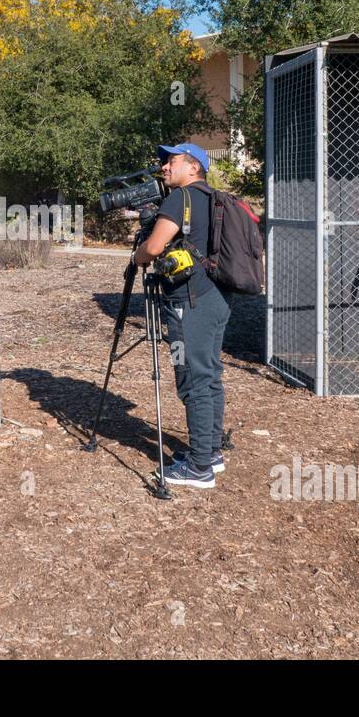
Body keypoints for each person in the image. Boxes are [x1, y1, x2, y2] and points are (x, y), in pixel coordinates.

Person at [131, 142, 232, 489]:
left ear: (193, 167)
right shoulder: (211, 197)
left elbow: (155, 248)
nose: (164, 167)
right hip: (215, 300)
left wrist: (137, 257)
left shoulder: (179, 199)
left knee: (192, 379)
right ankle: (211, 452)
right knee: (210, 375)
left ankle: (199, 467)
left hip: (189, 305)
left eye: (171, 161)